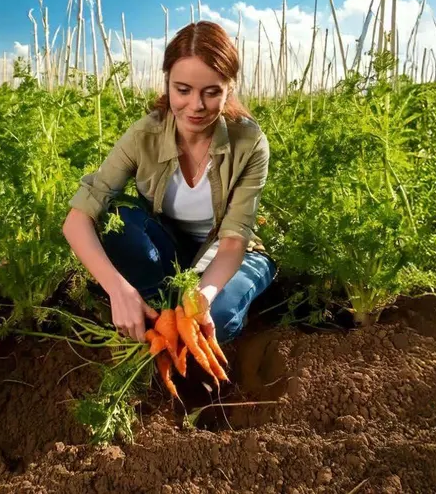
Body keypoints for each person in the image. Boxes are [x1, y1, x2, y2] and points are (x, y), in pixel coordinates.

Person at [62, 20, 276, 347]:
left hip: (228, 251)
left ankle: (215, 314)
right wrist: (118, 291)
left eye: (211, 92)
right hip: (170, 249)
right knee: (117, 221)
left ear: (229, 87)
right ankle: (156, 313)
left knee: (216, 319)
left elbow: (233, 242)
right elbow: (77, 219)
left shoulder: (248, 142)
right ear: (167, 83)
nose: (196, 106)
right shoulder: (144, 135)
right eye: (183, 90)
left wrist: (203, 297)